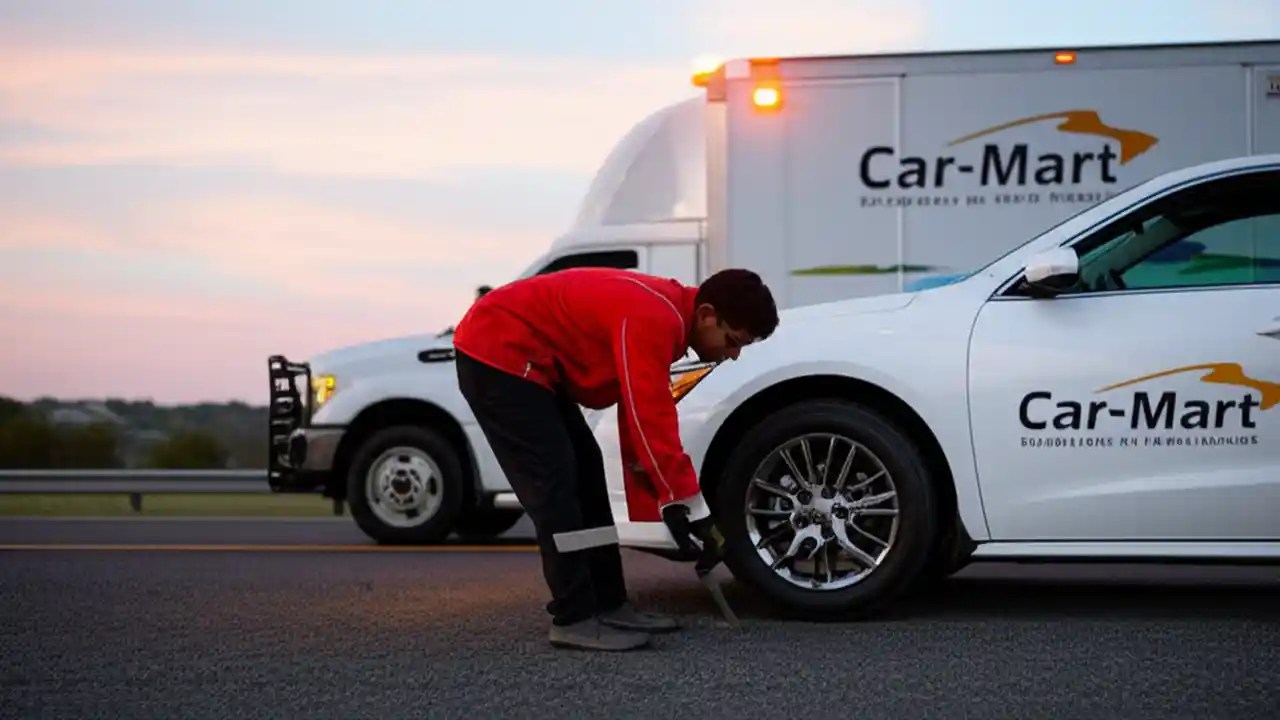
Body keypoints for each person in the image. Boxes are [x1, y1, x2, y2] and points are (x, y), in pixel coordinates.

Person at [452, 267, 779, 651]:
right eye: (732, 341)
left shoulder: (670, 313)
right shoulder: (654, 316)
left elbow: (634, 411)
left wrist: (668, 499)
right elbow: (650, 414)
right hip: (497, 352)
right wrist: (692, 505)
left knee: (587, 474)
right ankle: (573, 617)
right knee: (555, 485)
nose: (733, 355)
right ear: (706, 314)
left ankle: (610, 602)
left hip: (534, 362)